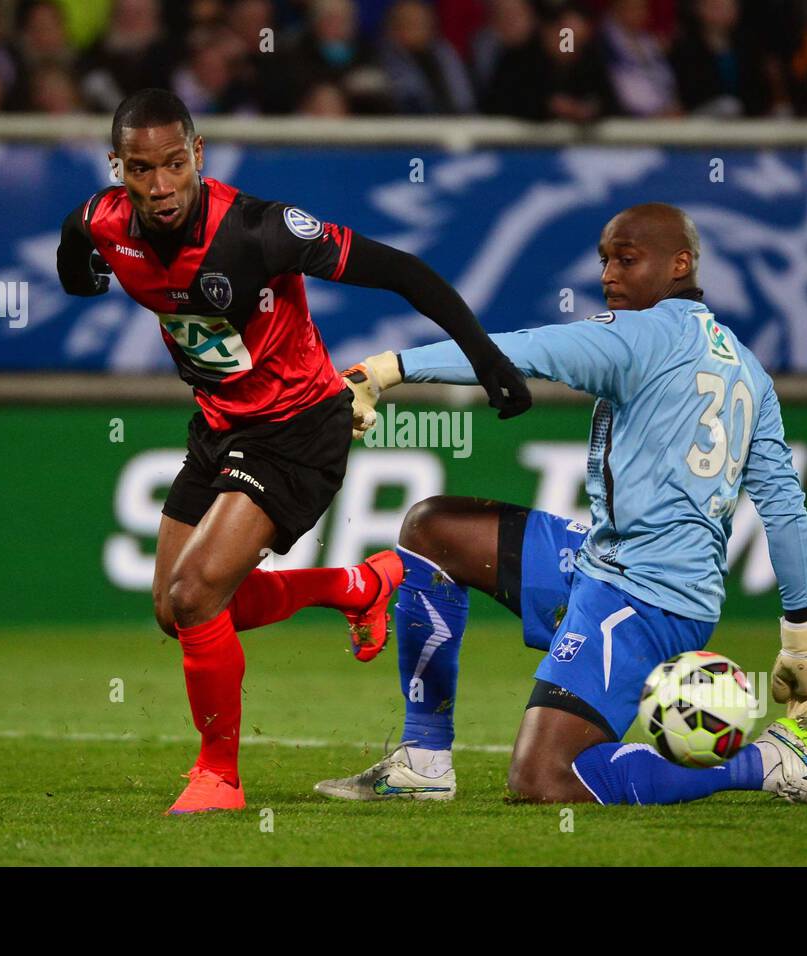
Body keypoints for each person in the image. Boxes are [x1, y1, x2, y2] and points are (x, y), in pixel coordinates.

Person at [56, 89, 530, 814]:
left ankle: (219, 777)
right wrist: (76, 273)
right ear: (118, 168)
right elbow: (75, 239)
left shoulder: (258, 231)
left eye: (174, 165)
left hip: (299, 429)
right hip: (217, 430)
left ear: (198, 155)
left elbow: (401, 268)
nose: (160, 187)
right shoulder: (105, 218)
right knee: (172, 609)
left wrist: (485, 356)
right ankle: (355, 587)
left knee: (194, 593)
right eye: (142, 170)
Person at [317, 203, 807, 807]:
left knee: (546, 779)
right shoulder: (749, 370)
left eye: (628, 259)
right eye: (605, 260)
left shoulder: (643, 336)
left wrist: (389, 369)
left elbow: (532, 350)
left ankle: (766, 761)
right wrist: (800, 643)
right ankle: (423, 759)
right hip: (606, 561)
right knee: (433, 529)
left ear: (680, 264)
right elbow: (783, 506)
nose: (608, 275)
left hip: (646, 601)